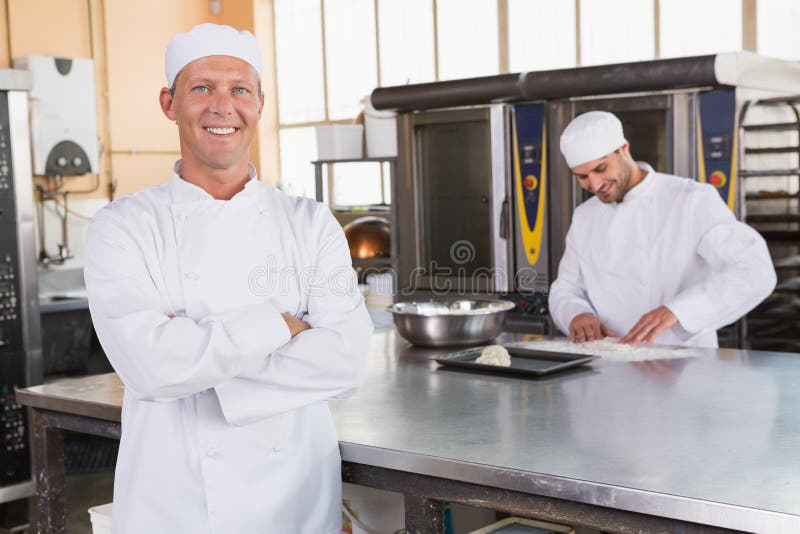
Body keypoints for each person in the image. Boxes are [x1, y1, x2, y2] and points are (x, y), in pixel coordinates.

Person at [84, 23, 373, 533]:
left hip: (297, 507)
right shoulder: (121, 227)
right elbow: (151, 367)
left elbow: (346, 361)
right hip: (173, 506)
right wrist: (283, 325)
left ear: (260, 103)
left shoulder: (310, 223)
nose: (223, 106)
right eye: (202, 88)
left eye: (240, 89)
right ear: (168, 103)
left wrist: (195, 363)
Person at [548, 111, 775, 348]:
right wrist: (577, 314)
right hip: (609, 363)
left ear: (624, 148)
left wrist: (679, 311)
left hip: (684, 367)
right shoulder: (585, 216)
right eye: (582, 176)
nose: (594, 184)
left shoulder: (691, 200)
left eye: (601, 168)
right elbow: (566, 287)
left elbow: (755, 271)